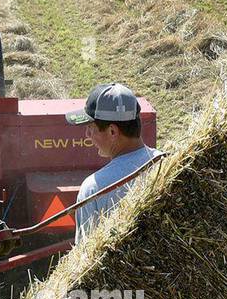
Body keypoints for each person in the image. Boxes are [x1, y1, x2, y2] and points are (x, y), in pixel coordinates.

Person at [65, 82, 159, 242]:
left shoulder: (94, 189)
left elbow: (85, 258)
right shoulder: (166, 164)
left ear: (113, 131)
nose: (87, 134)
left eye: (90, 127)